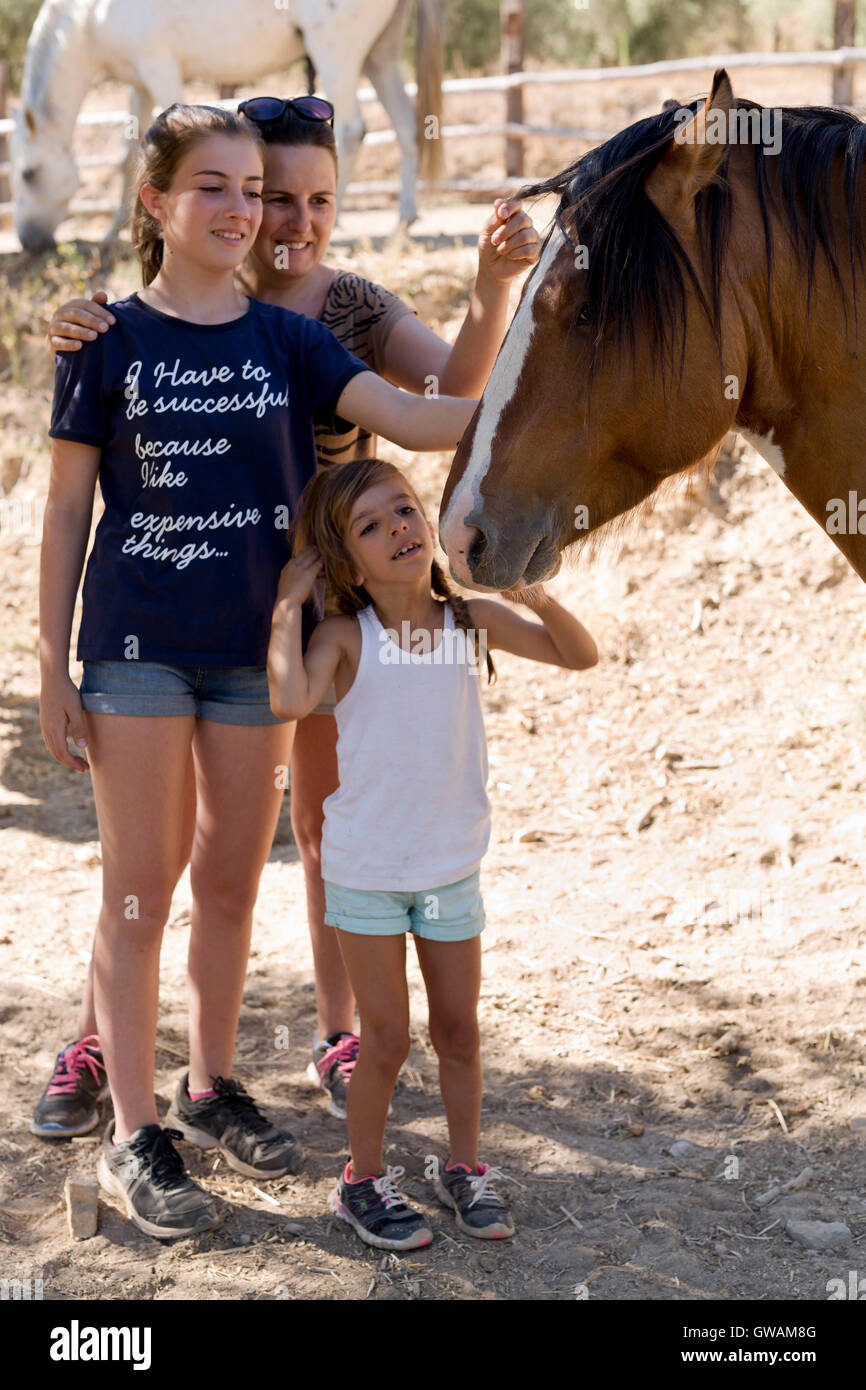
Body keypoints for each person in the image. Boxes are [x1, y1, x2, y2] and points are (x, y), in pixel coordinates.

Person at [35, 93, 540, 1136]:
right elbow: (67, 505)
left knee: (251, 863)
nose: (257, 212)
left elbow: (426, 406)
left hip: (276, 637)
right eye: (220, 188)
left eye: (264, 193)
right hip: (145, 643)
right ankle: (122, 1098)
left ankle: (235, 1071)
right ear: (163, 199)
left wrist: (564, 393)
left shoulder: (308, 330)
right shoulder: (113, 336)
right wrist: (50, 662)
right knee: (142, 877)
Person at [267, 457, 599, 1249]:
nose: (399, 531)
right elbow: (287, 698)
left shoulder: (469, 622)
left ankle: (465, 1168)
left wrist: (529, 587)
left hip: (450, 867)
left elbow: (579, 654)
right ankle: (362, 1181)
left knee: (459, 1032)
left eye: (405, 511)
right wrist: (286, 610)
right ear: (347, 562)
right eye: (372, 527)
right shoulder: (348, 638)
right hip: (367, 875)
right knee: (384, 1040)